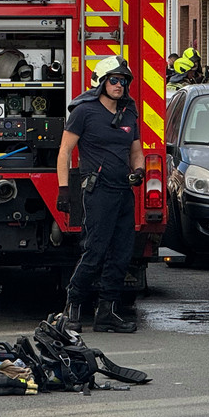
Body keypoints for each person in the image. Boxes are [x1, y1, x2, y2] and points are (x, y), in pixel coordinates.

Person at [57, 56, 144, 334]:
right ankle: (71, 309)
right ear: (101, 82)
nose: (120, 85)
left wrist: (139, 170)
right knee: (95, 252)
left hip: (123, 192)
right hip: (98, 192)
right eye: (114, 80)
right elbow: (65, 152)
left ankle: (107, 313)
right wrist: (63, 189)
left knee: (121, 255)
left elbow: (136, 151)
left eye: (124, 81)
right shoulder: (84, 112)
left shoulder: (129, 112)